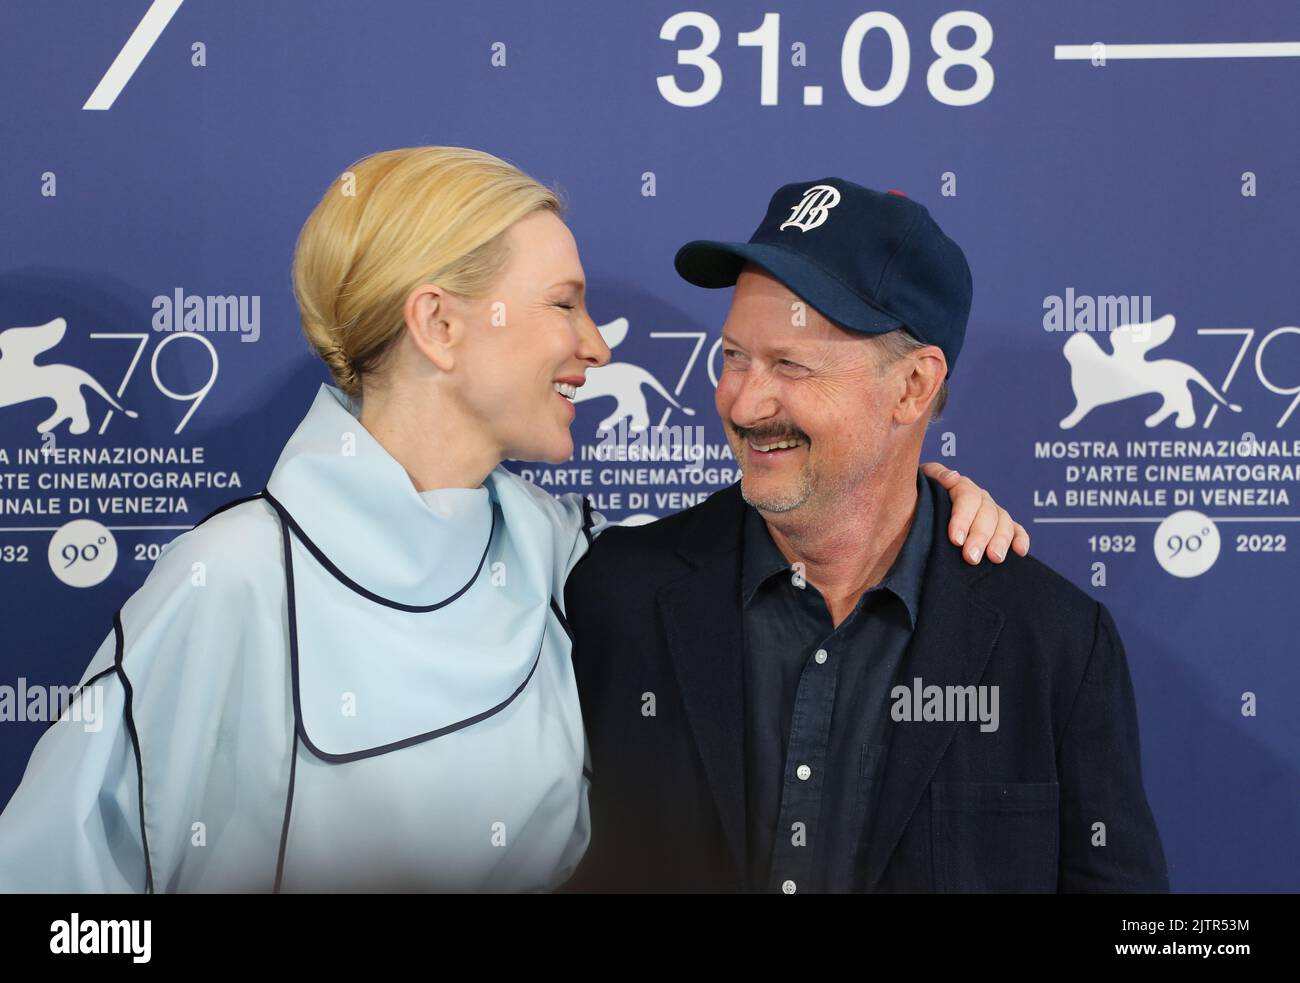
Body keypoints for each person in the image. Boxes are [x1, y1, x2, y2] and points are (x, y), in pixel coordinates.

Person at [0, 150, 1025, 893]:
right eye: (563, 304)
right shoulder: (227, 581)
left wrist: (920, 500)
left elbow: (791, 524)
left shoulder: (573, 559)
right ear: (442, 325)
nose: (596, 342)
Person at [565, 179, 1169, 893]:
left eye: (790, 364)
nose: (743, 401)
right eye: (733, 356)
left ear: (913, 386)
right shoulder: (617, 591)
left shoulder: (1055, 642)